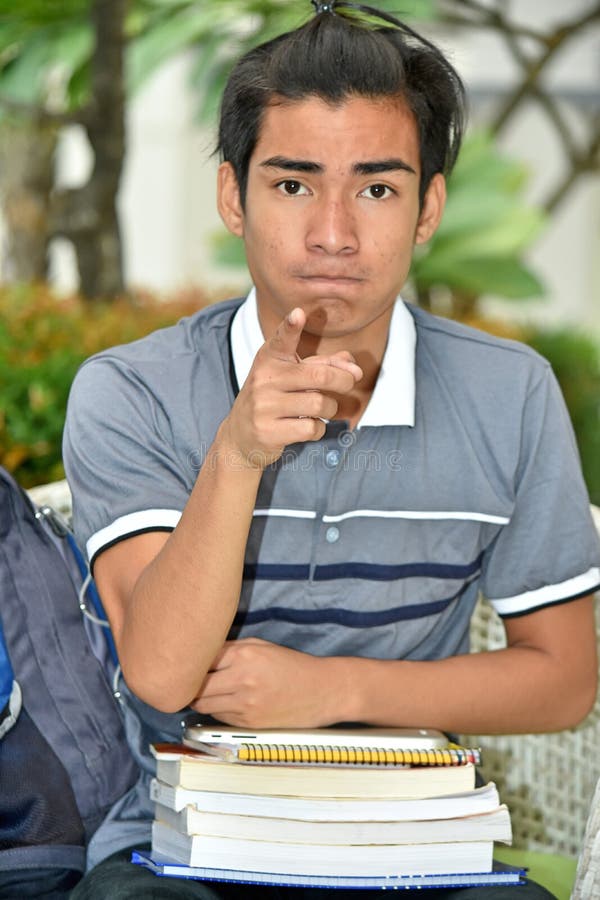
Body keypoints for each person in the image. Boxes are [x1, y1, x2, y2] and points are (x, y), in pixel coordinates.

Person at [63, 2, 600, 897]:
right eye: (294, 184)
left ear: (428, 207)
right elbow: (161, 672)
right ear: (234, 196)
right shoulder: (133, 391)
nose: (335, 235)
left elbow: (563, 681)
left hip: (418, 844)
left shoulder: (511, 395)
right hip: (183, 847)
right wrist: (235, 455)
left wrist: (333, 689)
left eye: (378, 188)